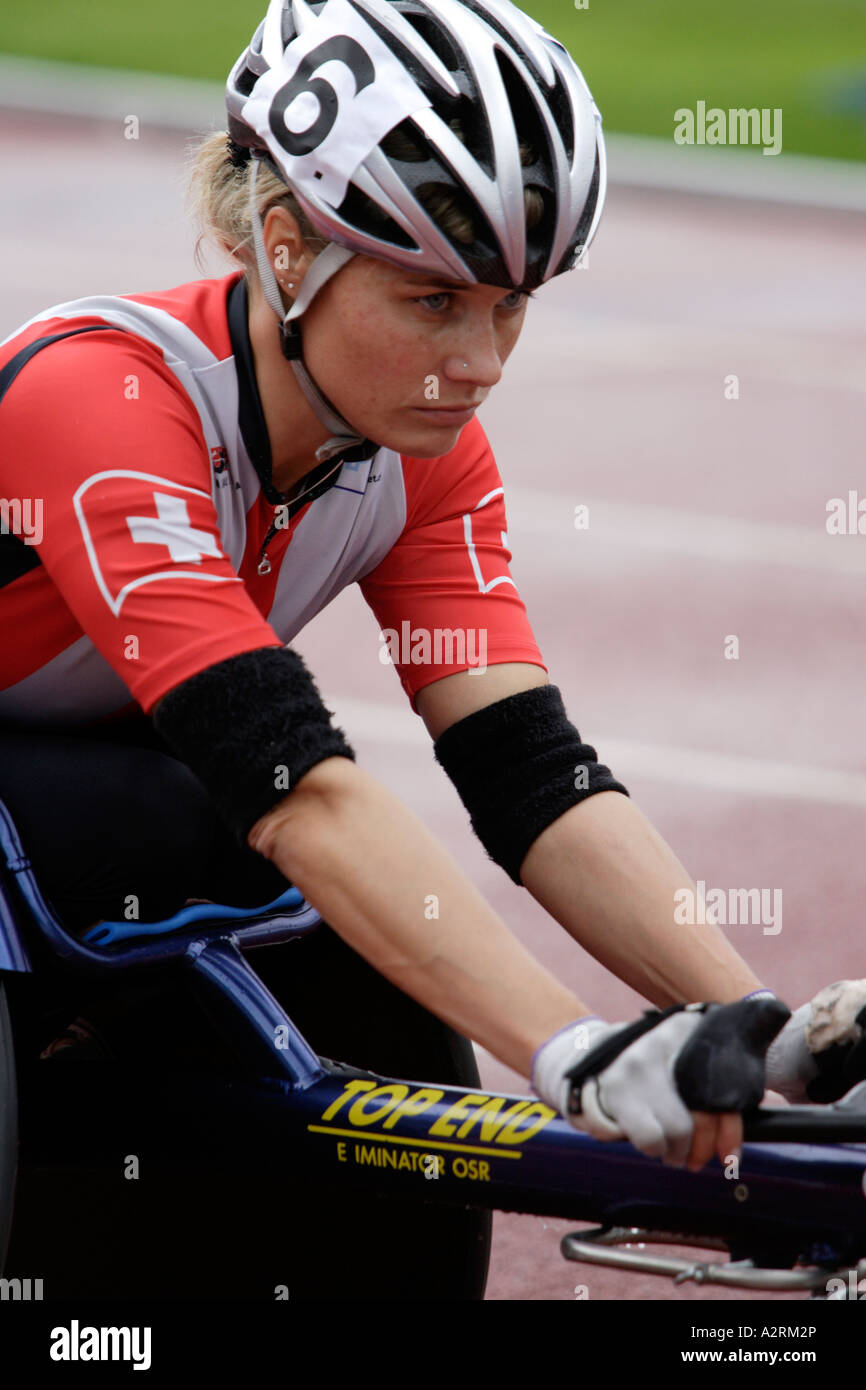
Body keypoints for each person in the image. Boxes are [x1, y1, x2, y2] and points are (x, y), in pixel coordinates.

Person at [0, 0, 863, 1299]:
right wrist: (567, 1047)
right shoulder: (101, 400)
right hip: (69, 803)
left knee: (337, 950)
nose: (479, 363)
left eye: (513, 304)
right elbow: (292, 782)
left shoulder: (417, 451)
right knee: (209, 825)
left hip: (109, 798)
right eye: (431, 299)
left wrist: (756, 1032)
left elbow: (530, 773)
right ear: (284, 246)